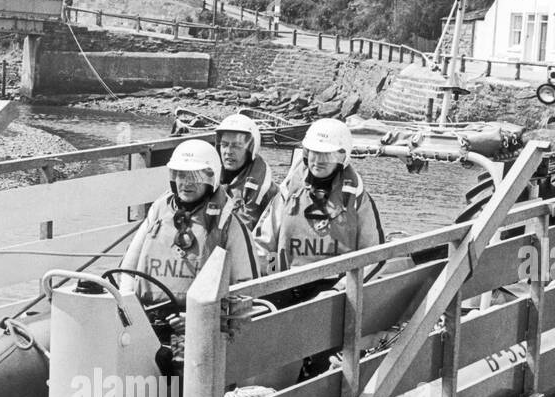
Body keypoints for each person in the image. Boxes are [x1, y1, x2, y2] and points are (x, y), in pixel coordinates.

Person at [118, 139, 258, 308]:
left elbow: (246, 288)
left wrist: (200, 319)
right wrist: (132, 308)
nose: (187, 183)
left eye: (196, 176)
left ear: (211, 177)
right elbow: (127, 270)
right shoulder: (158, 211)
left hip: (202, 323)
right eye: (181, 175)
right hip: (147, 317)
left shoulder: (228, 223)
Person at [253, 117, 383, 275]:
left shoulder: (357, 198)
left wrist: (339, 290)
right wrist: (273, 281)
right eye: (314, 153)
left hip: (337, 287)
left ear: (343, 157)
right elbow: (262, 246)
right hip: (287, 283)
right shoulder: (288, 192)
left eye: (328, 155)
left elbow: (372, 255)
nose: (319, 161)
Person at [214, 113, 278, 229]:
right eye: (224, 145)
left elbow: (248, 227)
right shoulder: (212, 176)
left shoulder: (264, 188)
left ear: (250, 150)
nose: (228, 151)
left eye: (237, 146)